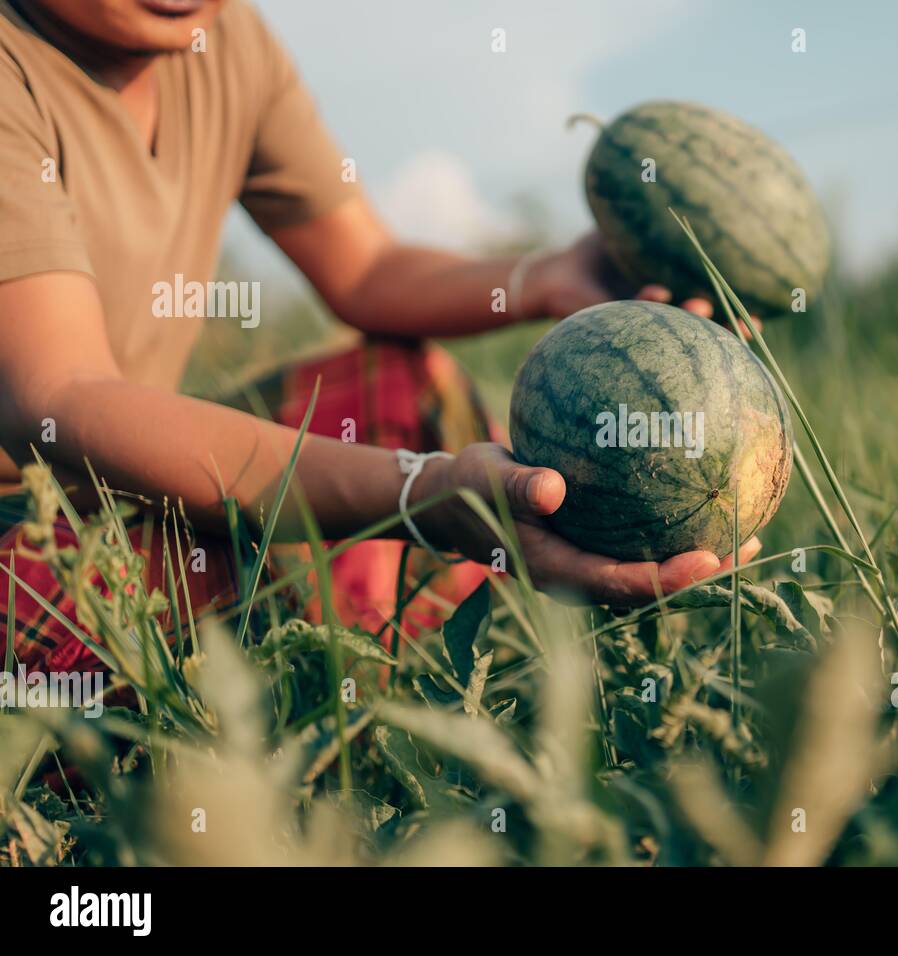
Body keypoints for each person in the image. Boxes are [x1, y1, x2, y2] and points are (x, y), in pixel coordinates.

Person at [0, 0, 759, 672]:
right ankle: (340, 686)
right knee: (242, 562)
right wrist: (419, 497)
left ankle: (392, 668)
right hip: (20, 526)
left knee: (404, 390)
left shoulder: (224, 40)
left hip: (107, 493)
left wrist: (547, 278)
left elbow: (364, 269)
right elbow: (61, 398)